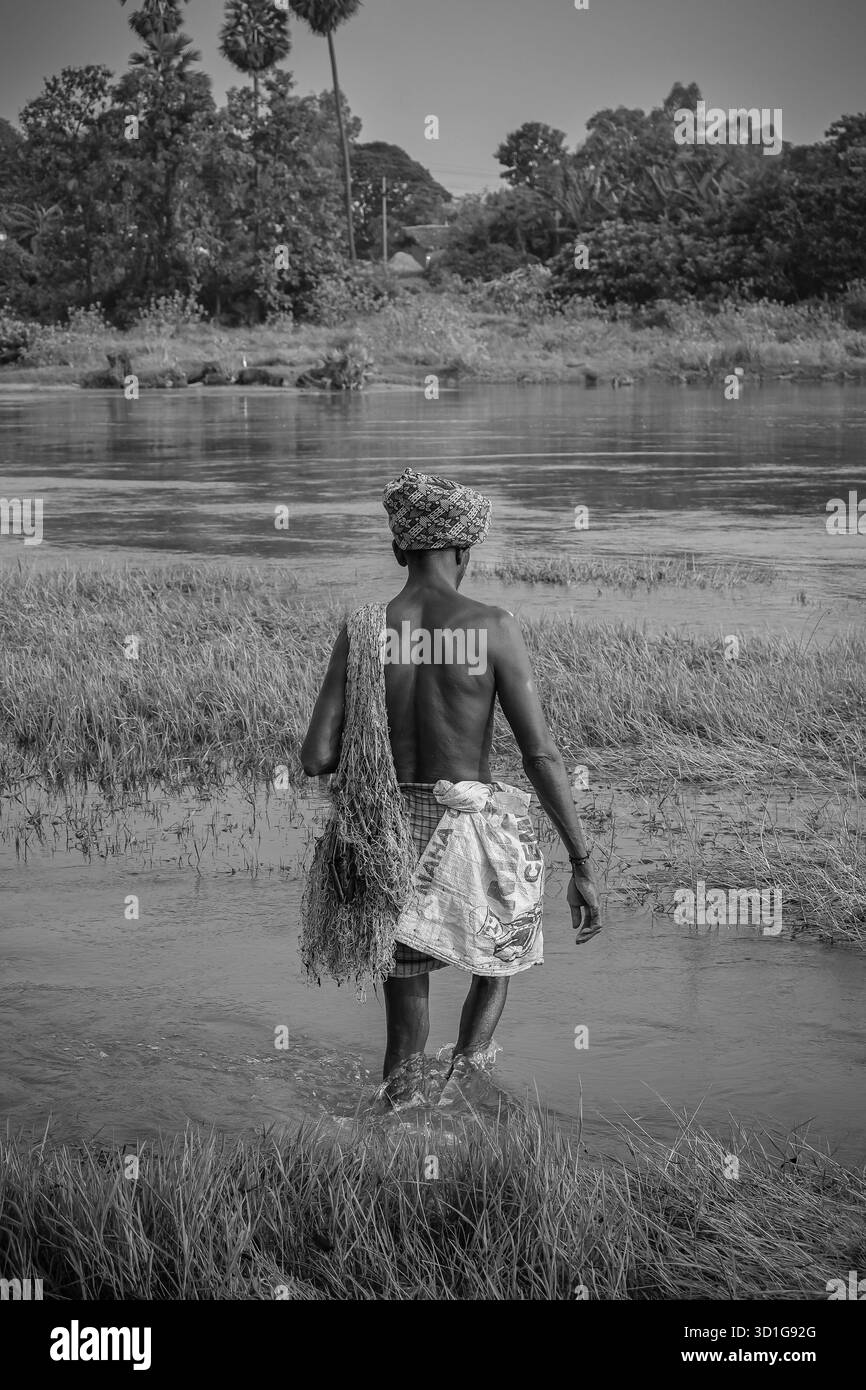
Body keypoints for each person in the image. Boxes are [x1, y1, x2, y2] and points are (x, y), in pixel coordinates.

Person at [300, 467, 602, 1094]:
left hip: (384, 834)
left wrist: (376, 744)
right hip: (472, 825)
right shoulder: (492, 625)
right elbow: (540, 755)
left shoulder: (364, 627)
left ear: (398, 549)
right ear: (464, 549)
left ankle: (397, 1124)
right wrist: (581, 860)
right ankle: (467, 1079)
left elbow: (316, 757)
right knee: (497, 962)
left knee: (405, 1016)